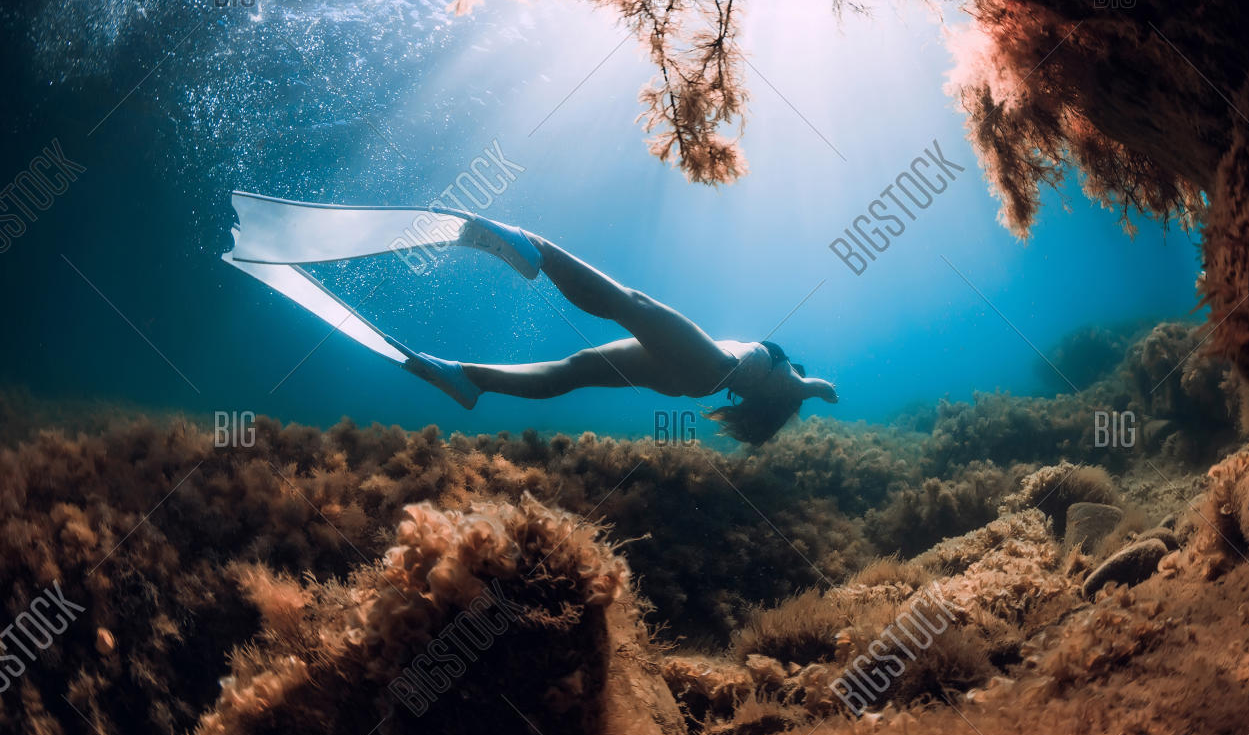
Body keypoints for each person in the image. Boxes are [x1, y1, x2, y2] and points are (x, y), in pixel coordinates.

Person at [221, 192, 837, 444]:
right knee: (571, 370)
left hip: (711, 366)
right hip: (689, 377)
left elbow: (811, 385)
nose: (803, 378)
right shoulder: (770, 390)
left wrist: (816, 387)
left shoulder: (790, 384)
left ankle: (530, 245)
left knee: (633, 304)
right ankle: (468, 378)